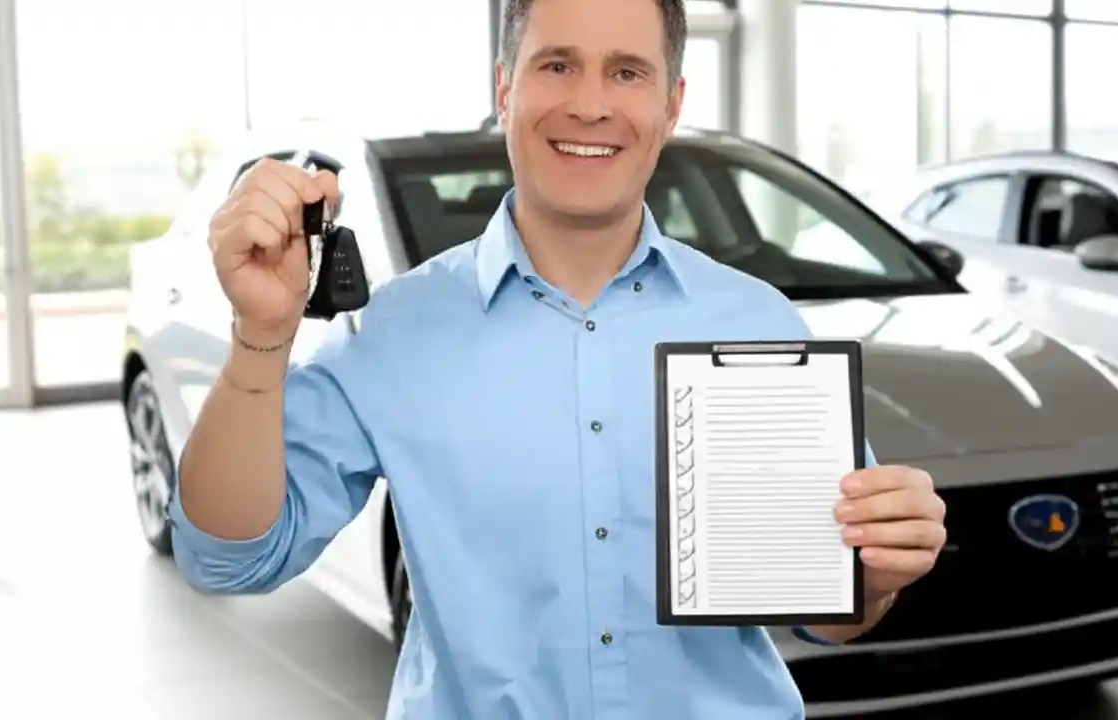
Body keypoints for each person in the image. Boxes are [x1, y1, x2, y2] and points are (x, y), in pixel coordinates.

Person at [169, 0, 948, 717]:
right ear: (505, 87)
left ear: (670, 104)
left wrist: (873, 580)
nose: (590, 103)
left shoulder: (758, 322)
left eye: (627, 72)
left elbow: (829, 614)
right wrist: (260, 335)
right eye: (557, 64)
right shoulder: (396, 331)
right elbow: (229, 561)